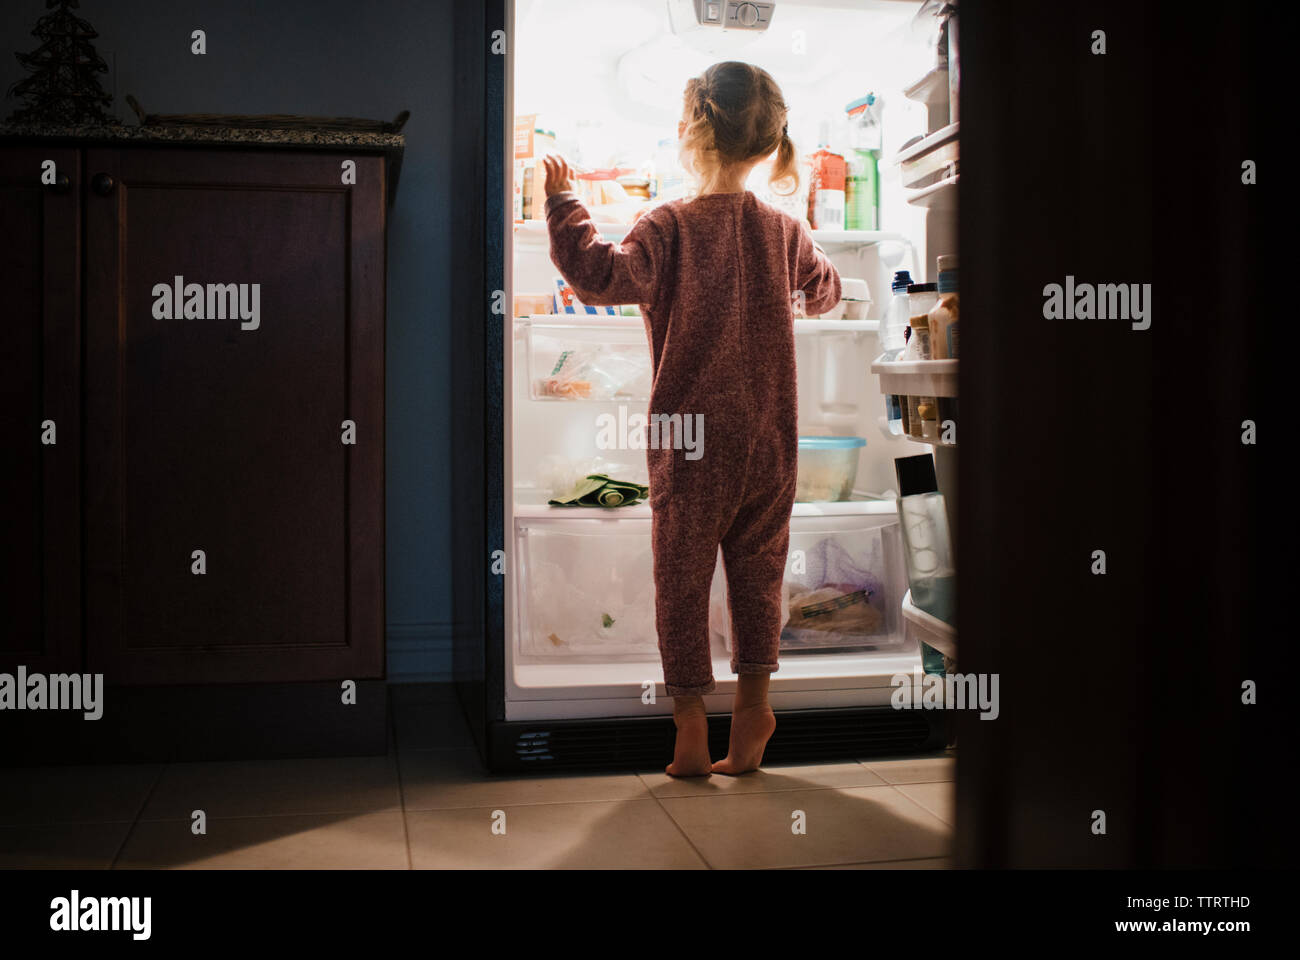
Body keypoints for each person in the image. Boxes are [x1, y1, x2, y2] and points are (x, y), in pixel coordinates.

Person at [541, 61, 841, 776]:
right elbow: (825, 291)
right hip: (770, 437)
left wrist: (562, 203)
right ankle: (754, 709)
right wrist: (815, 270)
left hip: (690, 440)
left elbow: (598, 276)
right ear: (770, 148)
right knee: (759, 572)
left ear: (688, 133)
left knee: (681, 576)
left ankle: (688, 730)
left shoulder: (668, 225)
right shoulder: (784, 229)